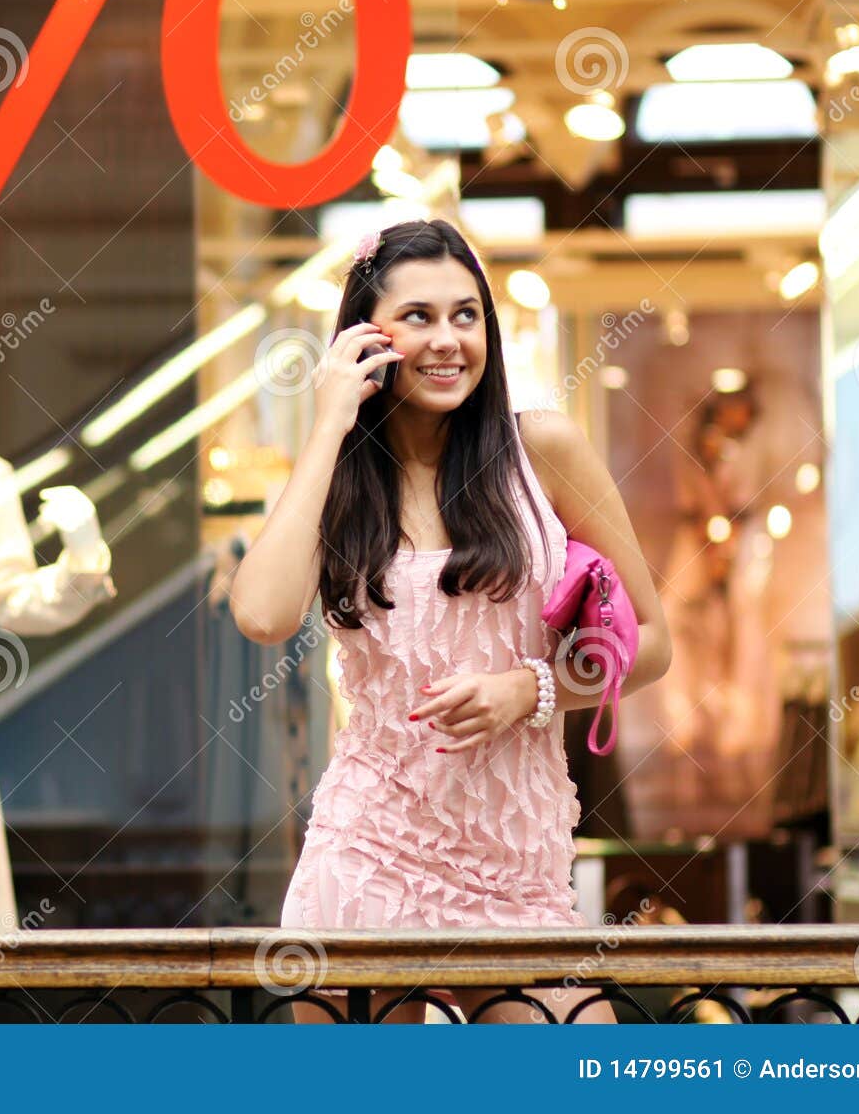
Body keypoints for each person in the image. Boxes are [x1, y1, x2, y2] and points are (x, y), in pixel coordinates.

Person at [229, 219, 672, 1024]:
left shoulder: (542, 450)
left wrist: (529, 688)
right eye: (419, 315)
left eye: (466, 315)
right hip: (369, 851)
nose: (447, 340)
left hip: (519, 867)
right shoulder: (338, 479)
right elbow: (261, 613)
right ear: (367, 334)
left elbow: (651, 642)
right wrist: (328, 422)